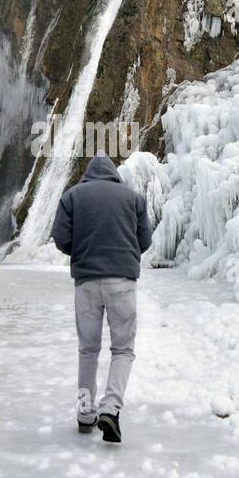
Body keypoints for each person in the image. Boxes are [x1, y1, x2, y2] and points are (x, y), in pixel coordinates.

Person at [50, 153, 152, 443]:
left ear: (88, 175)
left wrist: (82, 253)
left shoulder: (72, 196)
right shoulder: (132, 198)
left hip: (86, 283)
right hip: (122, 282)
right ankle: (110, 408)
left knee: (88, 349)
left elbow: (60, 237)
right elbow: (144, 240)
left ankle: (85, 413)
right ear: (114, 175)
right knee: (122, 349)